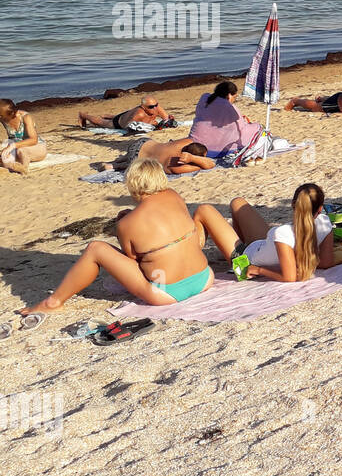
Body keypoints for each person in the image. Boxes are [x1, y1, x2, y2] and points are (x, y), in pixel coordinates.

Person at [19, 159, 232, 314]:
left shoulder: (127, 224)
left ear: (132, 185)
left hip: (165, 292)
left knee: (95, 249)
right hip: (205, 278)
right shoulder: (174, 196)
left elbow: (133, 261)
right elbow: (160, 219)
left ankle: (54, 301)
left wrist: (125, 223)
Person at [208, 184, 334, 283]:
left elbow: (289, 277)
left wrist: (258, 270)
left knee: (204, 210)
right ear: (320, 209)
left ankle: (194, 267)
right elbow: (326, 262)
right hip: (264, 245)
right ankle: (239, 241)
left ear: (293, 204)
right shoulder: (324, 222)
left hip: (246, 260)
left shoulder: (283, 233)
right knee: (237, 202)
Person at [189, 81, 257, 158]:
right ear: (229, 95)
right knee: (257, 128)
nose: (234, 100)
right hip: (217, 151)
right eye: (234, 97)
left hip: (196, 146)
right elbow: (241, 130)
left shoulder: (204, 98)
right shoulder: (231, 108)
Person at [0, 98, 46, 174]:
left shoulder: (25, 117)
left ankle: (24, 168)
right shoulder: (2, 118)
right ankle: (9, 168)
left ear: (11, 113)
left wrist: (13, 146)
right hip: (17, 146)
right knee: (5, 155)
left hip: (36, 147)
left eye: (1, 115)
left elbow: (34, 140)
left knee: (21, 150)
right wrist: (8, 150)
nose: (0, 117)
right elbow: (12, 138)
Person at [111, 138, 214, 175]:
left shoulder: (188, 142)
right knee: (143, 163)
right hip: (135, 158)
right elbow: (209, 164)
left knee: (153, 153)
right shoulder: (176, 165)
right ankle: (116, 165)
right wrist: (194, 159)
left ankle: (123, 158)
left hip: (144, 142)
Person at [78, 96, 172, 131]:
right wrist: (148, 124)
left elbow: (167, 119)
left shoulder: (155, 107)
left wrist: (168, 120)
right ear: (144, 107)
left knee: (125, 116)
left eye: (156, 105)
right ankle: (83, 115)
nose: (155, 108)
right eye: (151, 107)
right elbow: (127, 127)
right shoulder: (139, 115)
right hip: (119, 123)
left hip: (127, 114)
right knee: (99, 122)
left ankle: (107, 115)